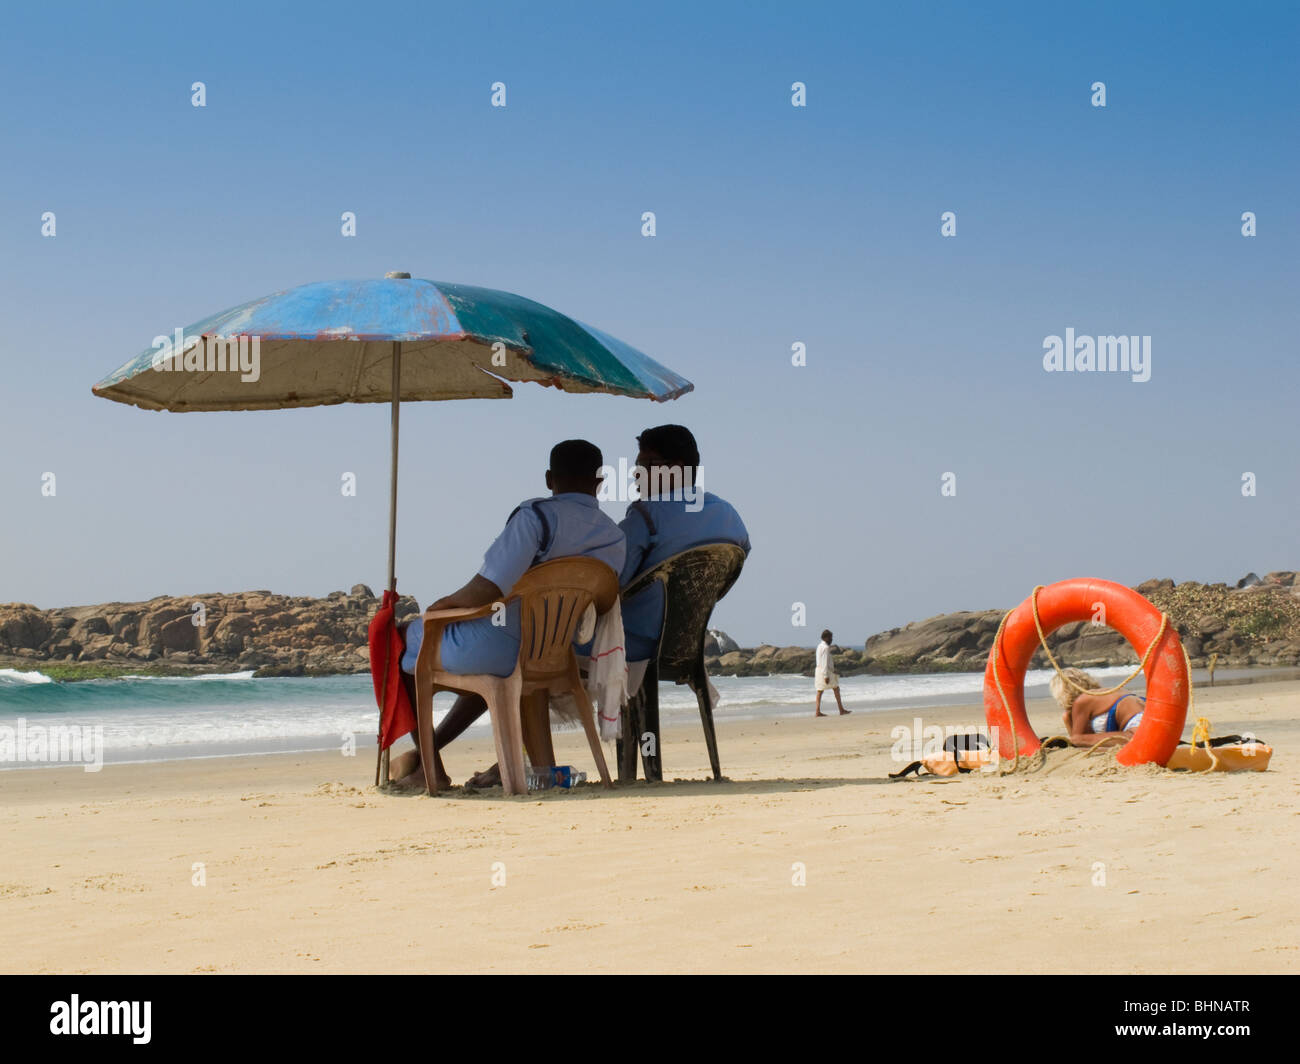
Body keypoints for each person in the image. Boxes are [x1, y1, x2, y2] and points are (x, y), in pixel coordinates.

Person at [388, 440, 626, 789]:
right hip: (557, 653)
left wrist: (442, 606)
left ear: (549, 479)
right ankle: (437, 758)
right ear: (599, 481)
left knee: (396, 640)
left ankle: (429, 769)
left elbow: (489, 588)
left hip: (504, 647)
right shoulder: (615, 537)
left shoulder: (537, 516)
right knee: (491, 677)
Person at [617, 425, 750, 684]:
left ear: (674, 468)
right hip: (688, 644)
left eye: (645, 465)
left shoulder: (645, 516)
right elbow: (734, 562)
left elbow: (613, 582)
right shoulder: (727, 515)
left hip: (632, 644)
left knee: (547, 643)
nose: (635, 473)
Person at [1051, 667, 1146, 747]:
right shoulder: (1104, 693)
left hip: (1136, 731)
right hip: (1148, 717)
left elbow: (1078, 741)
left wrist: (1067, 718)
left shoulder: (1082, 700)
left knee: (1077, 740)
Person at [814, 629, 850, 717]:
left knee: (819, 691)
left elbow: (821, 661)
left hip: (818, 670)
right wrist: (826, 675)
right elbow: (824, 662)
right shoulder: (825, 647)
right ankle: (841, 710)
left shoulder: (819, 646)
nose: (831, 639)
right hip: (825, 671)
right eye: (830, 638)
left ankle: (817, 711)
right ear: (826, 638)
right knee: (836, 688)